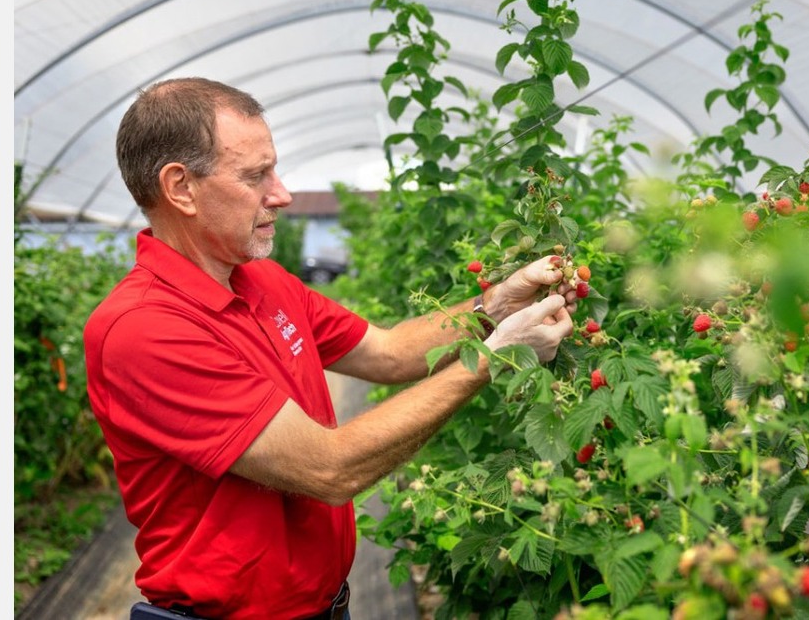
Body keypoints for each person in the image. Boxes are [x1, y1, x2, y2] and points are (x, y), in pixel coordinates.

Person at [83, 76, 579, 619]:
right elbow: (329, 469)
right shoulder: (143, 328)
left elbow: (388, 352)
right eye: (255, 175)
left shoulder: (262, 281)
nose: (282, 193)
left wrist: (495, 309)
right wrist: (495, 356)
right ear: (180, 187)